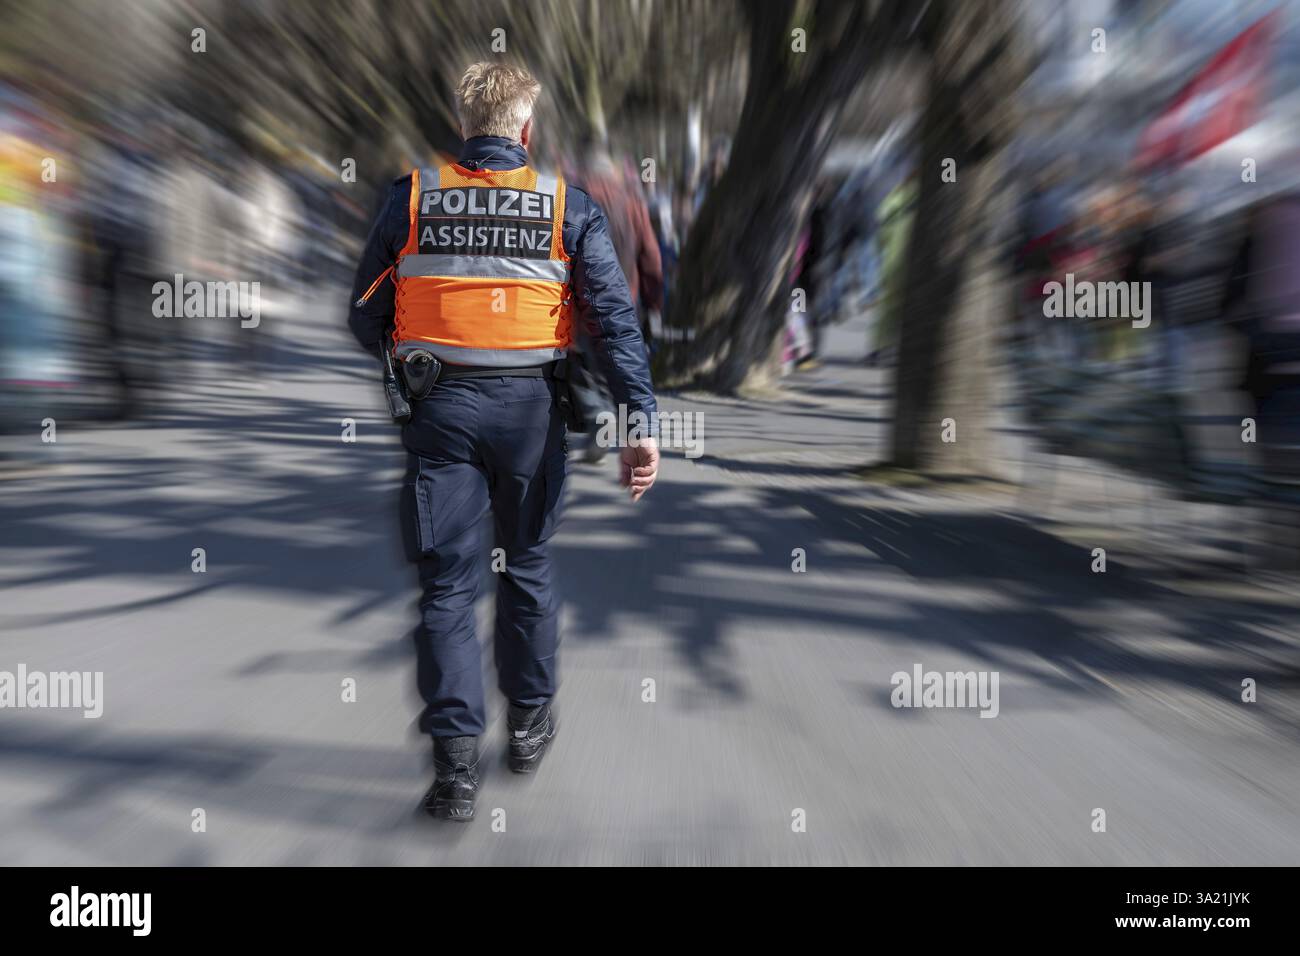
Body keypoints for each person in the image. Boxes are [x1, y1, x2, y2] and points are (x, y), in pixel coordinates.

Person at [347, 62, 659, 821]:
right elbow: (615, 324)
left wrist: (409, 353)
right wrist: (638, 424)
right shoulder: (566, 207)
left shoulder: (413, 198)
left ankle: (455, 773)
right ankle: (528, 724)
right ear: (526, 131)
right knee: (525, 565)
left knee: (447, 587)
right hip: (531, 414)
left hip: (440, 410)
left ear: (464, 125)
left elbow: (362, 312)